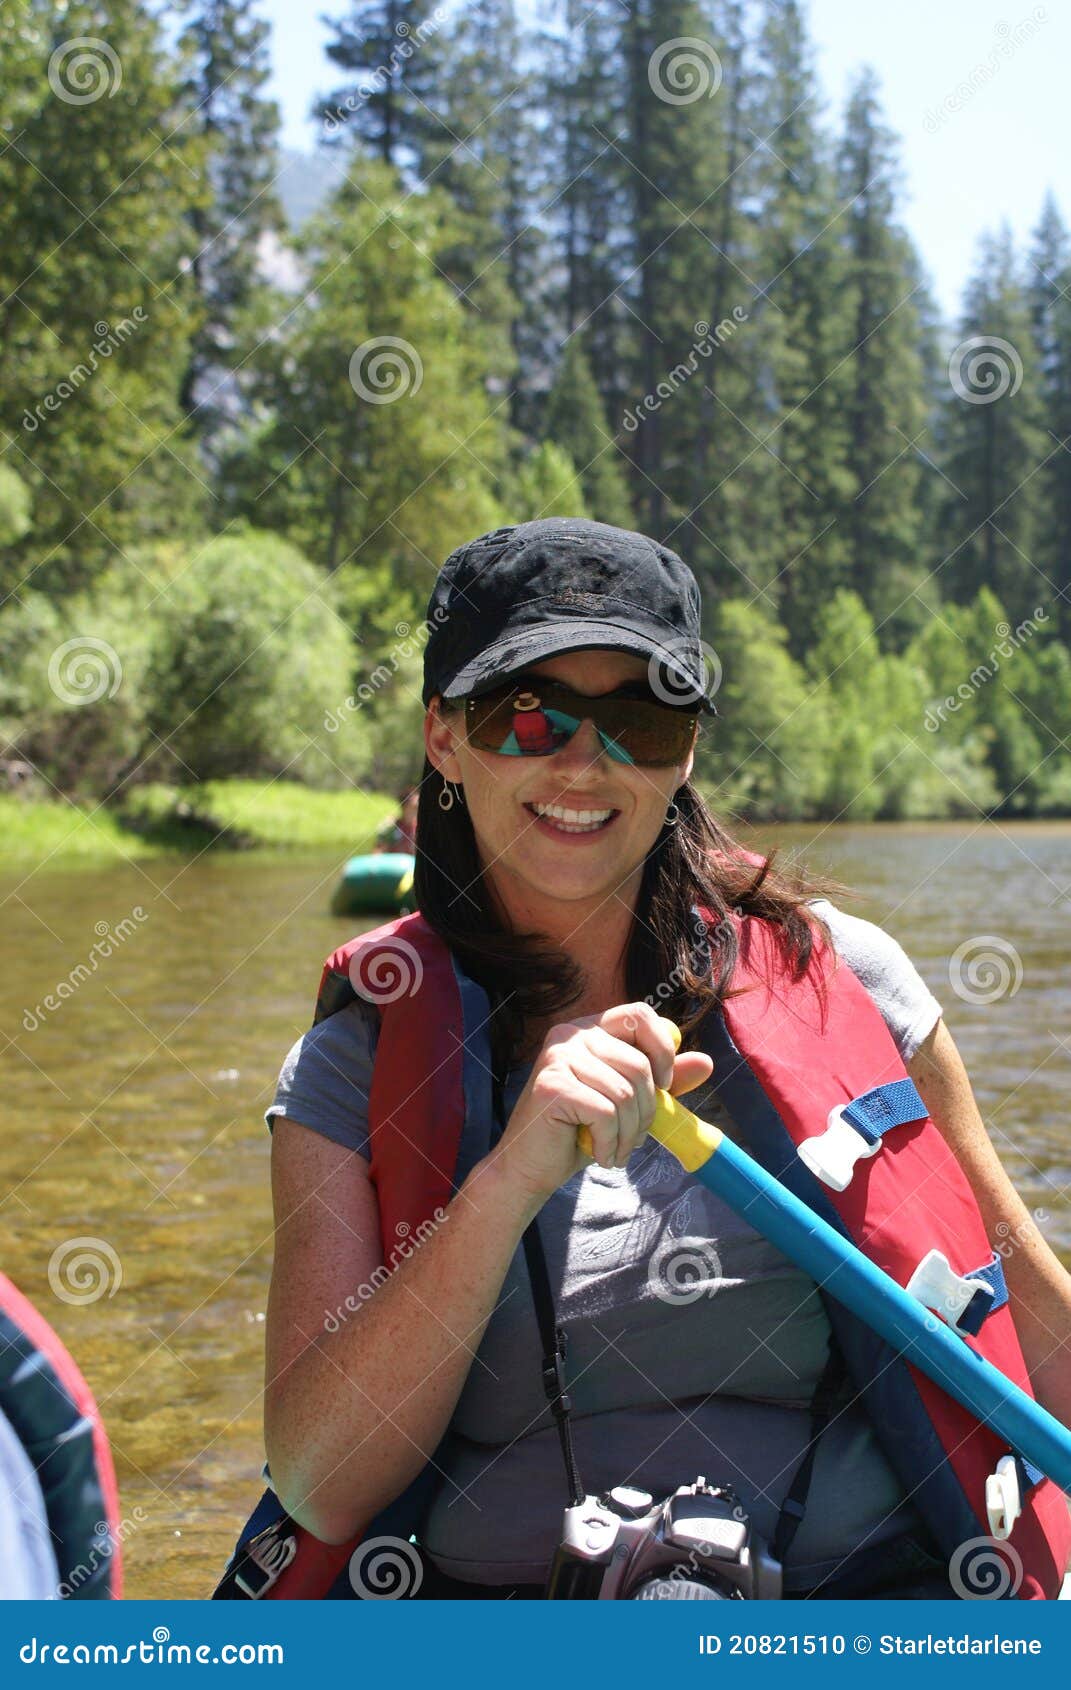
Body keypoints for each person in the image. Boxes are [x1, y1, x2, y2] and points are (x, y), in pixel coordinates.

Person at [260, 518, 1071, 1601]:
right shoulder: (354, 1058)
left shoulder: (858, 981)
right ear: (445, 737)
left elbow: (1027, 1312)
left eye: (637, 719)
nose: (584, 762)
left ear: (683, 749)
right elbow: (317, 1482)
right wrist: (505, 1186)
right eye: (528, 713)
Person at [372, 787, 418, 855]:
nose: (416, 809)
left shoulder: (422, 828)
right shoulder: (391, 826)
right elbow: (378, 853)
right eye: (414, 807)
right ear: (404, 806)